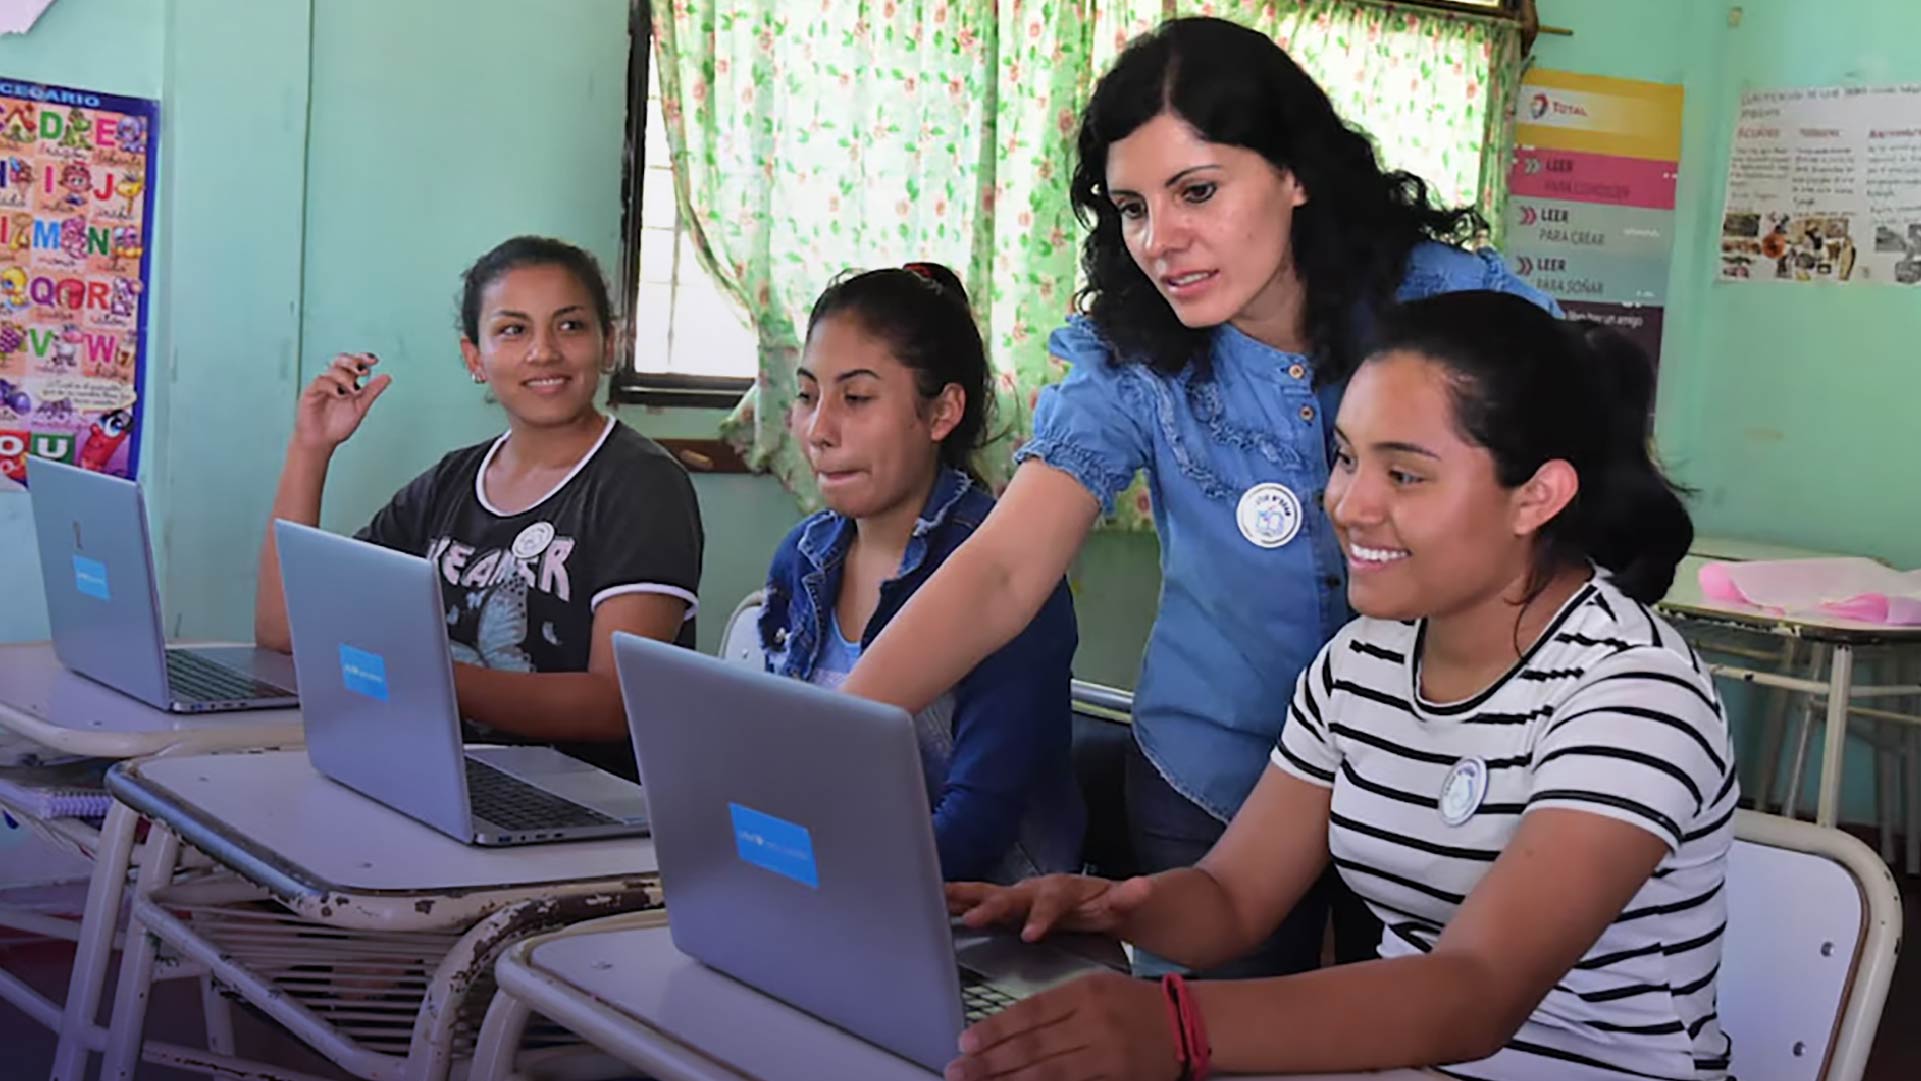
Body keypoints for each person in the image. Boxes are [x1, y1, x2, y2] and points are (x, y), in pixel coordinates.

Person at [842, 16, 1558, 974]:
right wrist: (841, 727)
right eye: (1131, 207)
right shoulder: (1132, 353)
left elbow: (1563, 505)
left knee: (1423, 1026)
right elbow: (1007, 567)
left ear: (1294, 173)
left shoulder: (1448, 310)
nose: (1161, 241)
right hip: (1214, 779)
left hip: (1447, 780)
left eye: (1198, 191)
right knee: (1213, 1034)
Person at [943, 291, 1735, 1081]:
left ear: (1537, 495)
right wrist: (1106, 908)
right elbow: (1230, 897)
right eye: (1347, 457)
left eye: (1405, 474)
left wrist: (1176, 1025)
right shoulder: (1361, 662)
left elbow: (1478, 993)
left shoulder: (1633, 692)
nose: (1349, 504)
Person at [254, 235, 703, 780]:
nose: (544, 352)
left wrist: (426, 675)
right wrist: (311, 448)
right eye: (513, 330)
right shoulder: (453, 481)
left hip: (578, 806)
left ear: (609, 344)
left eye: (571, 326)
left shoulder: (642, 485)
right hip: (445, 777)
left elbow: (614, 704)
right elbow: (284, 632)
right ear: (475, 356)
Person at [762, 262, 1083, 882]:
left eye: (856, 398)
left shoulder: (1006, 574)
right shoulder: (801, 556)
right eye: (807, 395)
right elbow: (785, 764)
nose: (819, 430)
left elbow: (977, 824)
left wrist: (823, 878)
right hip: (828, 882)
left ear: (942, 413)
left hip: (975, 911)